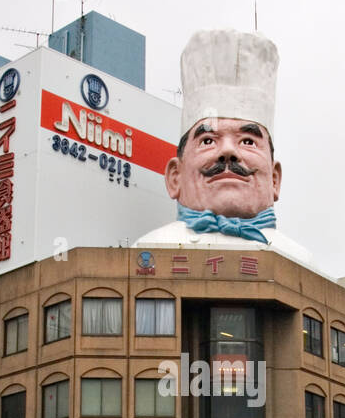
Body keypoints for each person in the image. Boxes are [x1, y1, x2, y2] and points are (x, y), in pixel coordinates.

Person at [133, 29, 315, 270]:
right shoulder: (149, 250)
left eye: (248, 141)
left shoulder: (301, 263)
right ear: (175, 177)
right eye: (208, 140)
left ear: (274, 179)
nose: (228, 151)